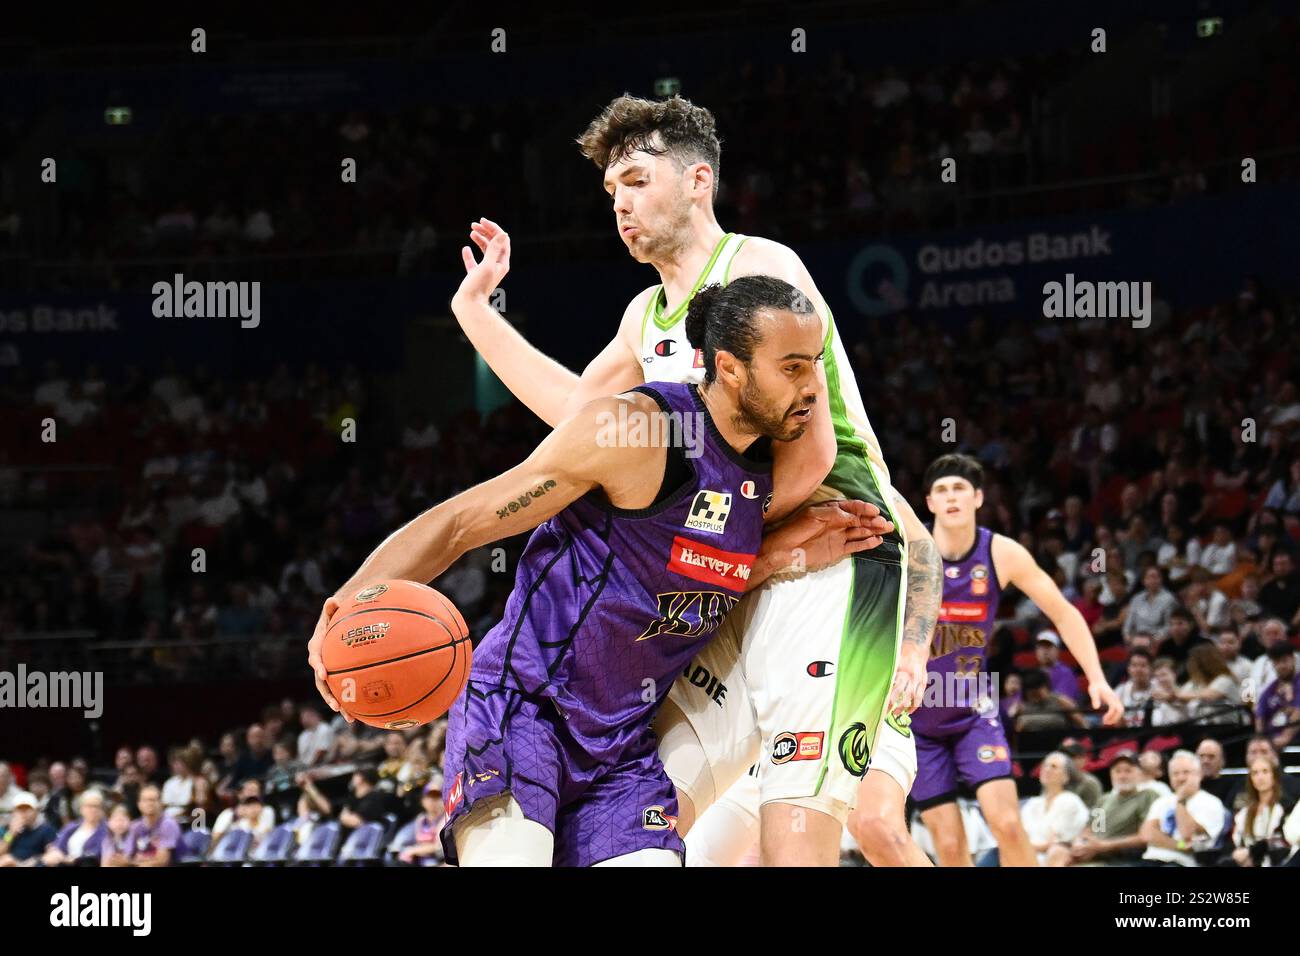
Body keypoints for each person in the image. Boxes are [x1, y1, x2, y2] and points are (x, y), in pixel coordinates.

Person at [446, 93, 942, 867]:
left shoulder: (761, 267)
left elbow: (810, 462)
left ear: (698, 180)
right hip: (733, 571)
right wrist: (477, 315)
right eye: (612, 191)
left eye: (638, 180)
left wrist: (699, 547)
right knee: (632, 828)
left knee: (797, 842)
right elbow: (579, 423)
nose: (622, 204)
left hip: (832, 558)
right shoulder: (645, 315)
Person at [309, 274, 892, 866]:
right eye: (792, 367)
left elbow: (678, 580)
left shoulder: (773, 475)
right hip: (523, 708)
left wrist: (775, 557)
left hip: (622, 750)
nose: (813, 386)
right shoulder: (638, 432)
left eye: (816, 363)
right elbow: (464, 522)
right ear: (731, 367)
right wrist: (345, 607)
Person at [899, 454, 1120, 868]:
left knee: (1007, 823)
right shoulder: (909, 551)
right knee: (947, 844)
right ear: (928, 502)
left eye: (960, 488)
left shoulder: (1001, 552)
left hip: (971, 709)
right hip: (918, 717)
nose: (951, 498)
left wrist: (1097, 678)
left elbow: (1063, 612)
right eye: (942, 490)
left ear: (978, 497)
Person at [1055, 751, 1157, 867]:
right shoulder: (1104, 799)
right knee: (1058, 853)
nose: (1122, 776)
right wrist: (1080, 844)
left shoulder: (1147, 796)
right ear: (1111, 774)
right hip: (1094, 853)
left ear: (1139, 773)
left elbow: (1145, 837)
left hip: (1121, 858)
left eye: (1128, 771)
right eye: (1117, 771)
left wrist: (1104, 845)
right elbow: (1091, 829)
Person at [1139, 750, 1227, 867]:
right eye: (1175, 774)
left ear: (1199, 774)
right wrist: (1179, 845)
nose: (1181, 778)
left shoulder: (1211, 802)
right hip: (1150, 859)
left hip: (1183, 862)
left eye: (1186, 772)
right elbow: (1146, 834)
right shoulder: (1162, 801)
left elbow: (1188, 835)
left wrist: (1181, 801)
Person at [1020, 752, 1089, 866]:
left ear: (1066, 777)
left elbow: (1055, 844)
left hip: (1051, 859)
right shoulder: (1032, 804)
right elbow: (1019, 834)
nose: (1047, 769)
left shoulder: (1070, 801)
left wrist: (1023, 847)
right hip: (1024, 856)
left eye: (1054, 767)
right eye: (1045, 765)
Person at [1231, 758, 1293, 867]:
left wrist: (1252, 854)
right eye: (1255, 773)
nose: (1260, 777)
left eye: (1265, 771)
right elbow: (1237, 840)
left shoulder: (1286, 806)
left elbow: (1283, 841)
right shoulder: (1244, 812)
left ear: (1274, 775)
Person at [105, 784, 181, 867]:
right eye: (145, 800)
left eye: (152, 800)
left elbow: (162, 862)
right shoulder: (135, 826)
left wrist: (132, 863)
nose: (149, 804)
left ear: (160, 803)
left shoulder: (167, 824)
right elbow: (127, 856)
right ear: (139, 804)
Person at [1174, 644, 1244, 725]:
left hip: (1230, 727)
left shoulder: (1225, 679)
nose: (1189, 667)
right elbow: (1180, 694)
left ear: (1203, 665)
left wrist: (1177, 696)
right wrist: (1171, 695)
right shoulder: (1195, 682)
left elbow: (1210, 695)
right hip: (1205, 727)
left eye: (1192, 662)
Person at [41, 789, 109, 866]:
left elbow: (97, 854)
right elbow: (58, 845)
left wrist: (72, 860)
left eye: (96, 806)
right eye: (89, 806)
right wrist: (55, 852)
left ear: (102, 809)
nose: (93, 810)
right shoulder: (72, 827)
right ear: (82, 809)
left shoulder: (107, 830)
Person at [1255, 642, 1300, 747]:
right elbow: (1260, 717)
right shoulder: (1270, 689)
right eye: (1277, 662)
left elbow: (1298, 712)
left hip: (1295, 742)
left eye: (1284, 660)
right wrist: (1260, 740)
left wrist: (1285, 737)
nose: (1281, 666)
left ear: (1293, 659)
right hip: (1271, 741)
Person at [396, 781, 447, 866]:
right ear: (423, 800)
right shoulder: (421, 819)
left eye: (437, 797)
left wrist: (413, 850)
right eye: (429, 797)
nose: (432, 801)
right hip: (419, 861)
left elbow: (439, 847)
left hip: (438, 862)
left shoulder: (445, 819)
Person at [0, 792, 58, 866]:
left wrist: (35, 859)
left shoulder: (46, 829)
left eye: (27, 809)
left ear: (36, 811)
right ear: (14, 812)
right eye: (20, 809)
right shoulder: (7, 830)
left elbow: (53, 854)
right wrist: (11, 833)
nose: (23, 813)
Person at [1125, 566, 1178, 641]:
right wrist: (1128, 637)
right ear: (1143, 581)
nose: (1153, 580)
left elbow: (1169, 626)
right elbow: (1128, 624)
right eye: (1150, 577)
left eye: (1157, 577)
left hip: (1157, 640)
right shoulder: (1136, 598)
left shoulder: (1169, 599)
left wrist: (1153, 640)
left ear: (1161, 580)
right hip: (1136, 638)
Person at [1116, 649, 1155, 726]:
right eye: (1134, 665)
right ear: (1128, 669)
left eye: (1143, 665)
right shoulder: (1120, 690)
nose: (1138, 670)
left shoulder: (1159, 689)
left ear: (1151, 669)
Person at [1195, 739, 1235, 805]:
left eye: (1211, 756)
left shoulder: (1232, 787)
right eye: (1201, 756)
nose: (1205, 761)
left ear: (1222, 761)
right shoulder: (1189, 786)